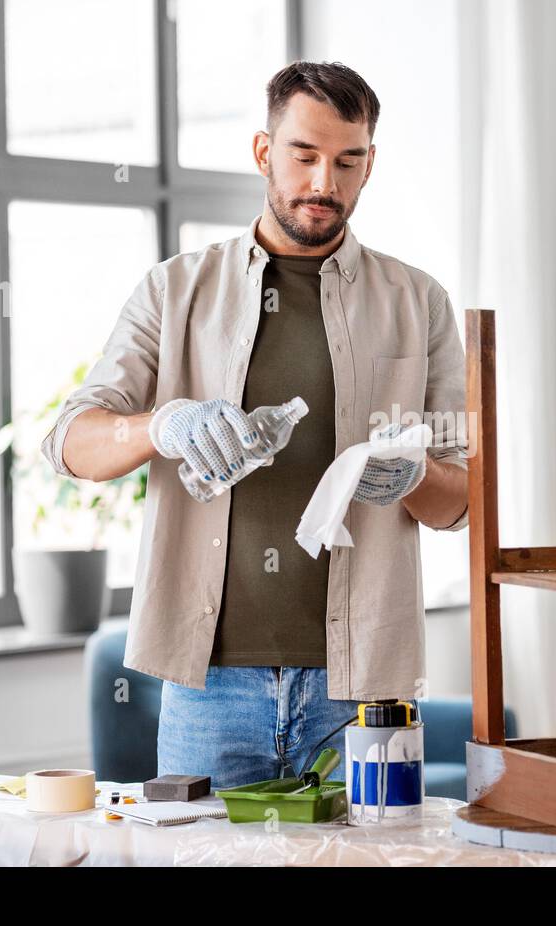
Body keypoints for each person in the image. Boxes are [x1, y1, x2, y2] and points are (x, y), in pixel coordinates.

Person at [41, 61, 469, 789]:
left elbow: (461, 502)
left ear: (370, 163)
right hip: (209, 692)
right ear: (264, 153)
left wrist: (413, 473)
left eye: (348, 160)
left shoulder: (418, 301)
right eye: (304, 155)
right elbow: (70, 442)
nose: (324, 184)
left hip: (363, 692)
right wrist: (167, 425)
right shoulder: (175, 291)